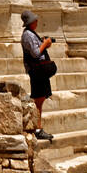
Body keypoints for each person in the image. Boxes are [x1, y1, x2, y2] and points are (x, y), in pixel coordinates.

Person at [21, 10, 55, 141]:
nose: (37, 22)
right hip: (37, 70)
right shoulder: (28, 35)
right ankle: (37, 128)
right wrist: (45, 44)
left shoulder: (31, 34)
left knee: (40, 99)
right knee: (38, 99)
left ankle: (38, 127)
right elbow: (35, 53)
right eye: (35, 20)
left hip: (39, 70)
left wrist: (43, 43)